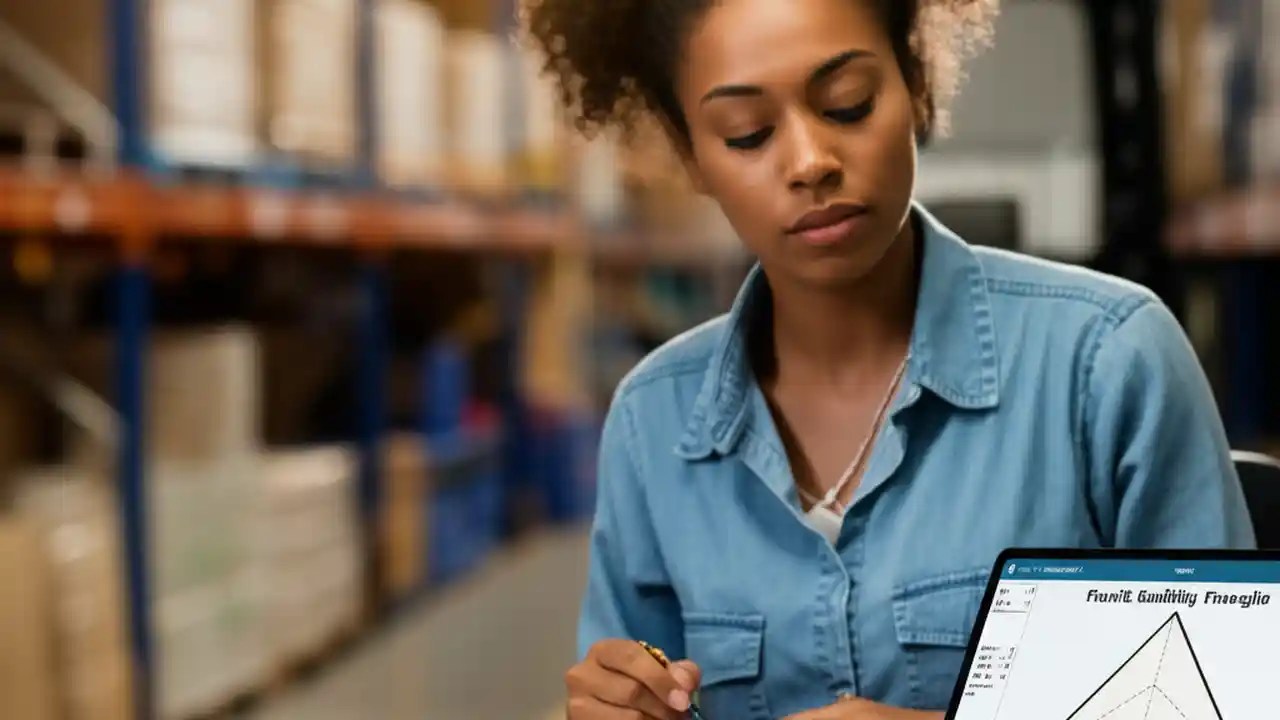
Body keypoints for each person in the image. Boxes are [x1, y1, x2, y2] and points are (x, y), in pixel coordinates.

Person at [521, 0, 1257, 717]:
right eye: (748, 134)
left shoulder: (1107, 362)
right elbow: (641, 682)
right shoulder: (652, 422)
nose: (810, 162)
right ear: (691, 156)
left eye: (847, 104)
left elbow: (1221, 704)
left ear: (917, 85)